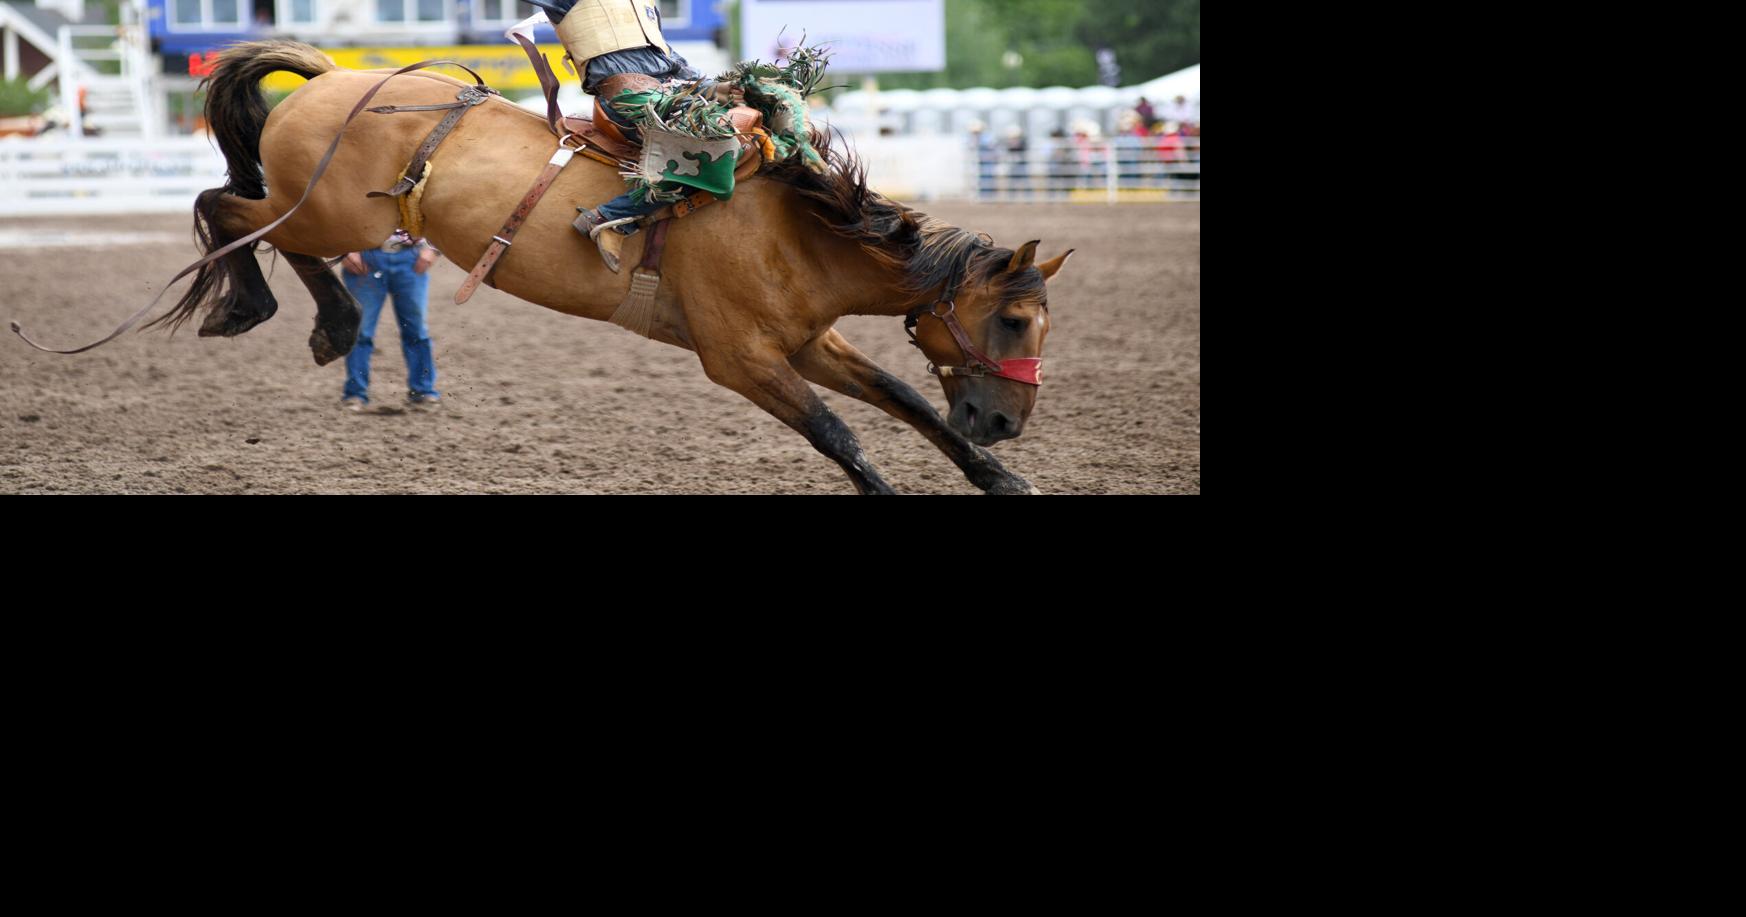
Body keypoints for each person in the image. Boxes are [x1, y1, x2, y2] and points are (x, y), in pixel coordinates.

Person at [527, 0, 703, 272]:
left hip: (668, 89)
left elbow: (668, 58)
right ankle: (609, 217)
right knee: (705, 153)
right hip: (626, 97)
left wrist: (714, 87)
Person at [339, 233, 442, 412]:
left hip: (411, 256)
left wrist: (434, 249)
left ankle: (423, 391)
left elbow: (441, 211)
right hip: (365, 256)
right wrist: (342, 250)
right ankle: (355, 393)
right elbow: (335, 212)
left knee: (416, 330)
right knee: (360, 331)